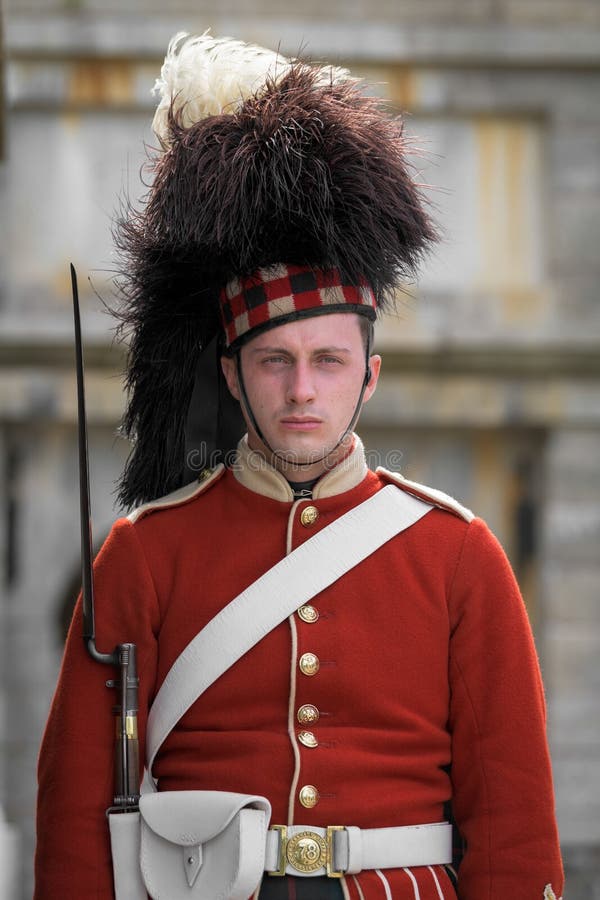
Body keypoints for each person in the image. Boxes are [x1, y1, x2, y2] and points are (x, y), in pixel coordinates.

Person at [35, 32, 564, 900]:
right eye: (275, 361)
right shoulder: (140, 555)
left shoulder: (458, 556)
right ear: (232, 376)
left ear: (371, 376)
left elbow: (513, 828)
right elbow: (74, 825)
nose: (301, 391)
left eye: (328, 361)